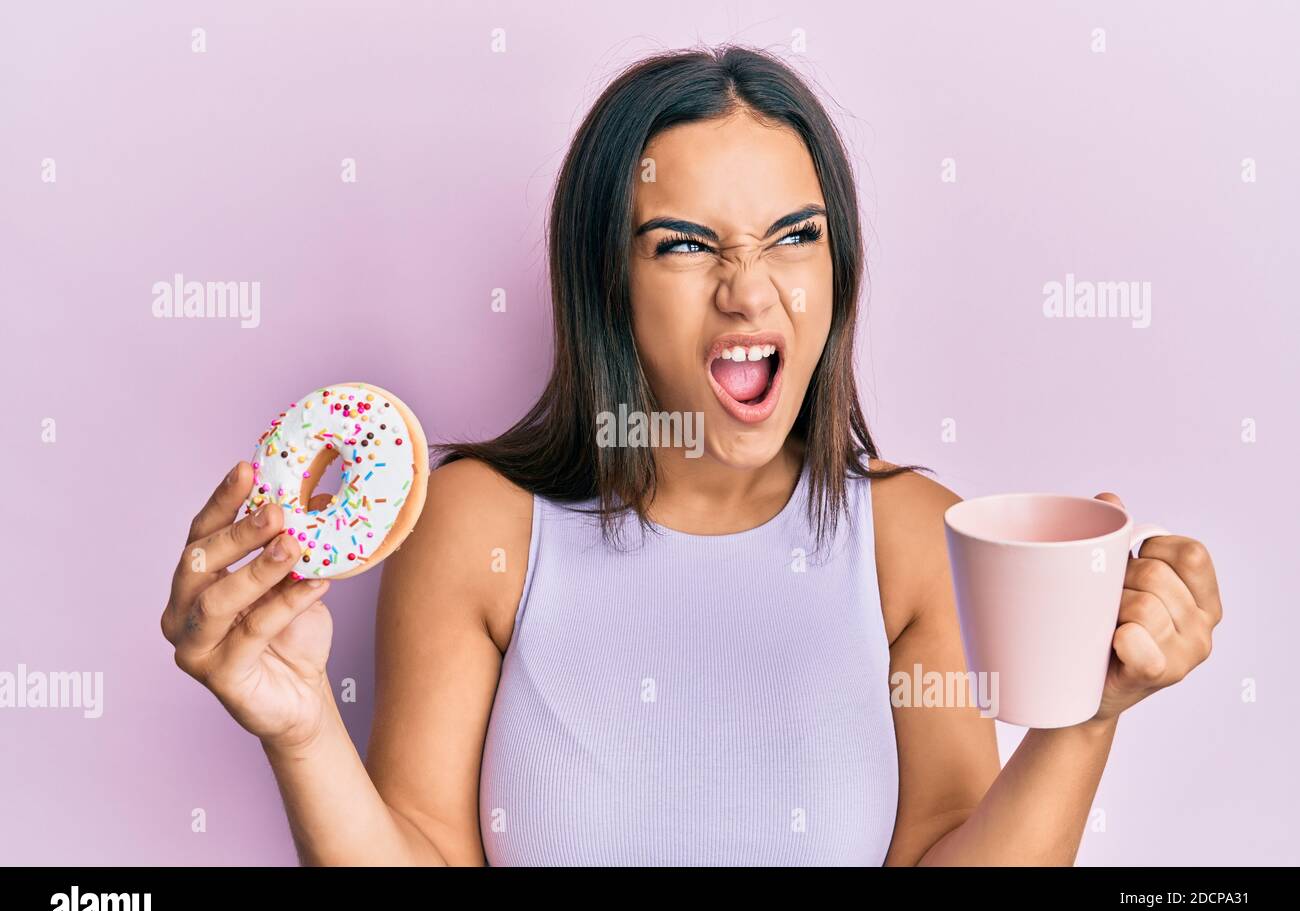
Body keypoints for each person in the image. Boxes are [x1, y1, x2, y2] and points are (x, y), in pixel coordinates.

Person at [159, 45, 1223, 866]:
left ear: (839, 269)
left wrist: (1086, 719)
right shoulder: (476, 522)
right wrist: (301, 735)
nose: (750, 290)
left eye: (793, 235)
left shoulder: (908, 535)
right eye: (684, 243)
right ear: (605, 280)